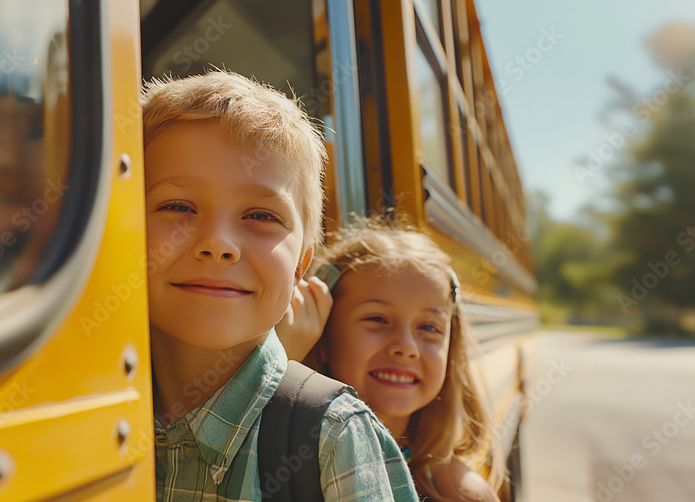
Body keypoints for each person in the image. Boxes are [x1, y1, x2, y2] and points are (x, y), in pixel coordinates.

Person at [142, 71, 418, 501]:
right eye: (178, 206)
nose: (218, 244)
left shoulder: (332, 439)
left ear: (301, 266)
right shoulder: (86, 413)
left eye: (261, 216)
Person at [283, 215, 503, 502]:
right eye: (377, 319)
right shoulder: (286, 465)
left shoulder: (460, 493)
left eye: (428, 327)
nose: (406, 347)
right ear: (322, 335)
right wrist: (285, 362)